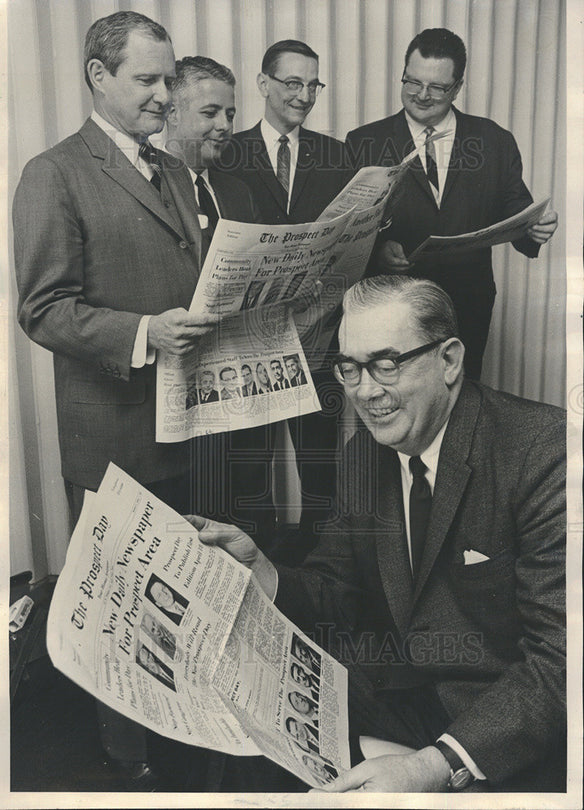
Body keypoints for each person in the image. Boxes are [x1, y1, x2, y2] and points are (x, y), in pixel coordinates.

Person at [188, 274, 566, 792]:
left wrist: (430, 766)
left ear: (449, 360)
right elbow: (337, 590)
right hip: (410, 690)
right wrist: (265, 572)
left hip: (509, 727)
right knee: (240, 715)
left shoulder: (546, 453)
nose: (365, 391)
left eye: (387, 364)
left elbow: (564, 660)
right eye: (350, 368)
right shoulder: (363, 458)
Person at [12, 11, 219, 786]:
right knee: (124, 609)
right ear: (99, 78)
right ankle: (128, 764)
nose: (166, 96)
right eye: (148, 80)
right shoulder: (53, 172)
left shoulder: (170, 170)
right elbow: (42, 307)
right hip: (115, 436)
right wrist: (144, 335)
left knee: (183, 593)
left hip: (189, 427)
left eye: (170, 80)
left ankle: (183, 731)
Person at [345, 28, 558, 380]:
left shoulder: (494, 141)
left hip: (467, 305)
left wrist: (536, 228)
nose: (422, 96)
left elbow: (517, 214)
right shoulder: (364, 142)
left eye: (438, 87)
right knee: (399, 405)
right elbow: (349, 232)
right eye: (412, 82)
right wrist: (378, 251)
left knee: (461, 400)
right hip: (395, 306)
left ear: (458, 87)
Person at [219, 40, 351, 559]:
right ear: (263, 84)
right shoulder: (229, 151)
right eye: (292, 83)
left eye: (312, 85)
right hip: (250, 340)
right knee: (250, 461)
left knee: (320, 459)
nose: (303, 95)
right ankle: (257, 561)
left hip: (318, 335)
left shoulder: (336, 154)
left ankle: (322, 570)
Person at [163, 55, 274, 548]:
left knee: (250, 520)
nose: (226, 126)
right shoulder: (146, 190)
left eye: (230, 114)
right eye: (211, 113)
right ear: (171, 113)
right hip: (177, 407)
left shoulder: (237, 192)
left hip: (242, 402)